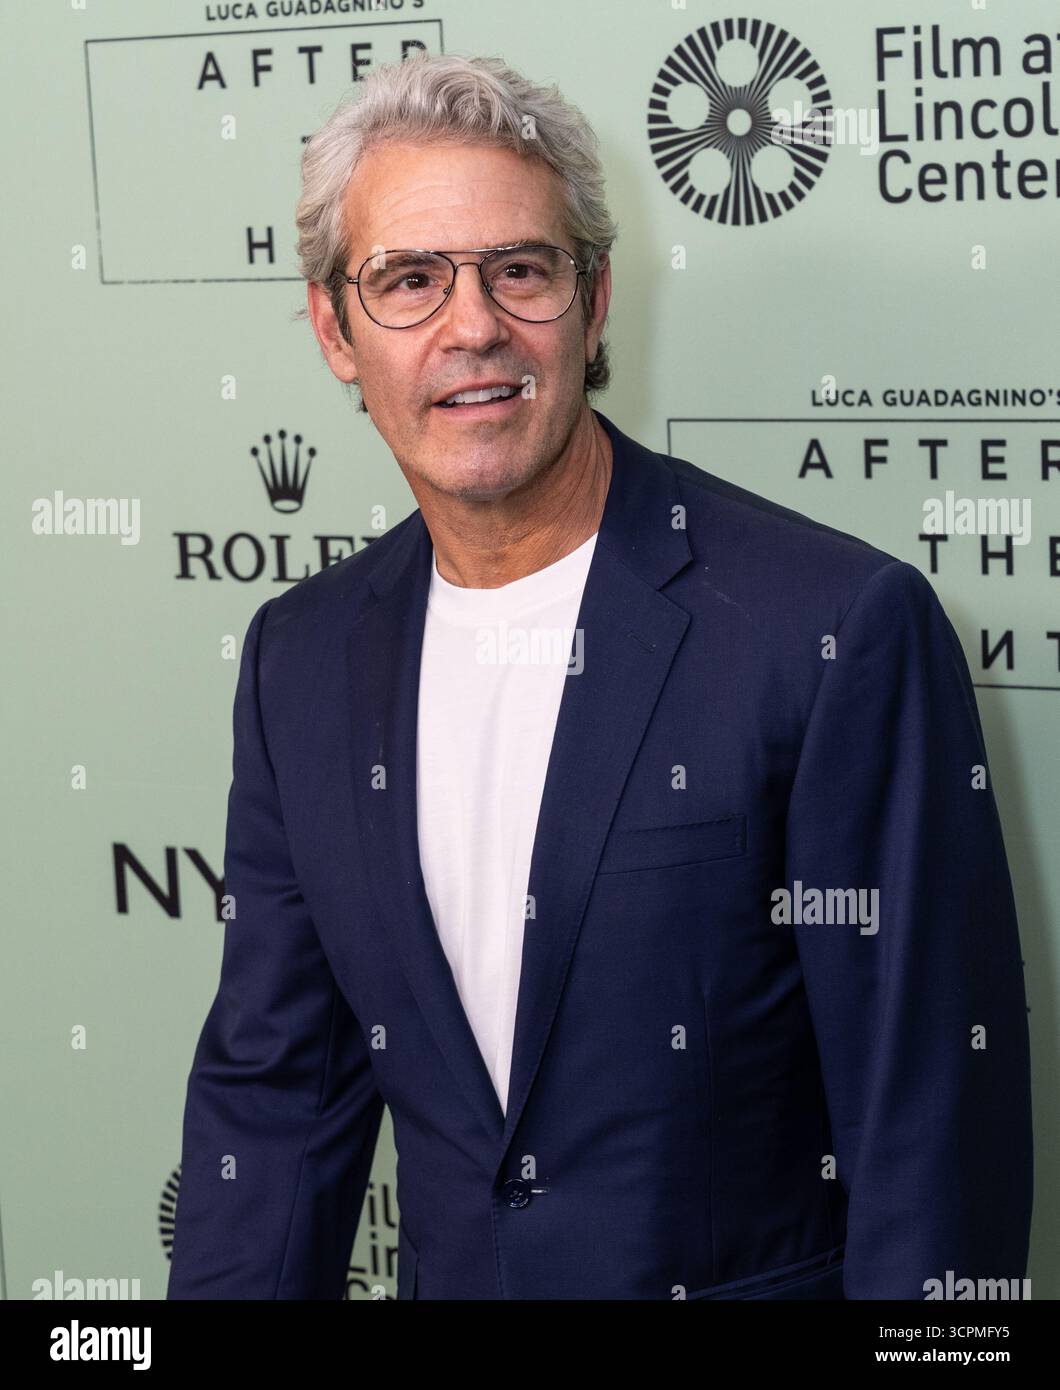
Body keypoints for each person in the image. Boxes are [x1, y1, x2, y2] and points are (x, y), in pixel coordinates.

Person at [167, 54, 1032, 1301]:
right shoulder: (301, 657)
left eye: (519, 270)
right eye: (408, 280)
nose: (472, 326)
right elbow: (273, 1109)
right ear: (333, 329)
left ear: (593, 297)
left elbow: (932, 1145)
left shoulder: (834, 629)